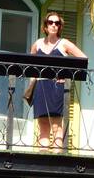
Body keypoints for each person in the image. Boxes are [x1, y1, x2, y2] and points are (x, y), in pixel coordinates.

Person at [30, 13, 87, 149]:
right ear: (45, 25)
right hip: (40, 87)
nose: (54, 25)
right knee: (43, 126)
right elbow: (31, 67)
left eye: (57, 23)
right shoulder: (37, 44)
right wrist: (31, 87)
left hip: (56, 87)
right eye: (51, 22)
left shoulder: (64, 43)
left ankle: (56, 159)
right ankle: (42, 161)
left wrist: (66, 75)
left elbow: (83, 59)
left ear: (60, 26)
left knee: (56, 127)